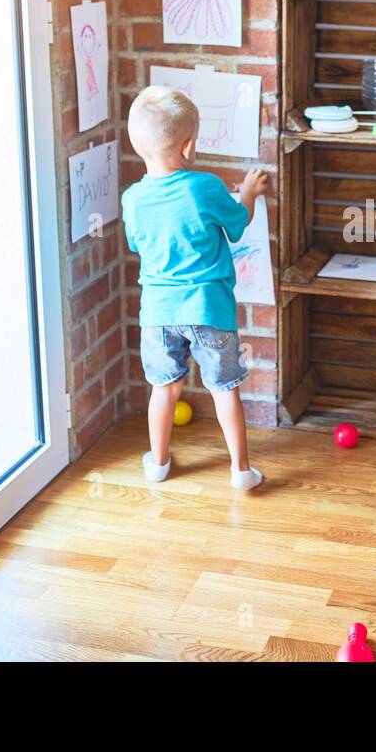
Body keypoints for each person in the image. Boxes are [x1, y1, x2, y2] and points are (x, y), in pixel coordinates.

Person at [122, 86, 270, 489]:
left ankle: (158, 462)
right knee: (224, 389)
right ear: (188, 146)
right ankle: (240, 471)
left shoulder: (132, 199)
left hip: (157, 314)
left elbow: (137, 244)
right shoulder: (204, 187)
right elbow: (237, 224)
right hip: (208, 309)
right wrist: (249, 193)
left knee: (164, 388)